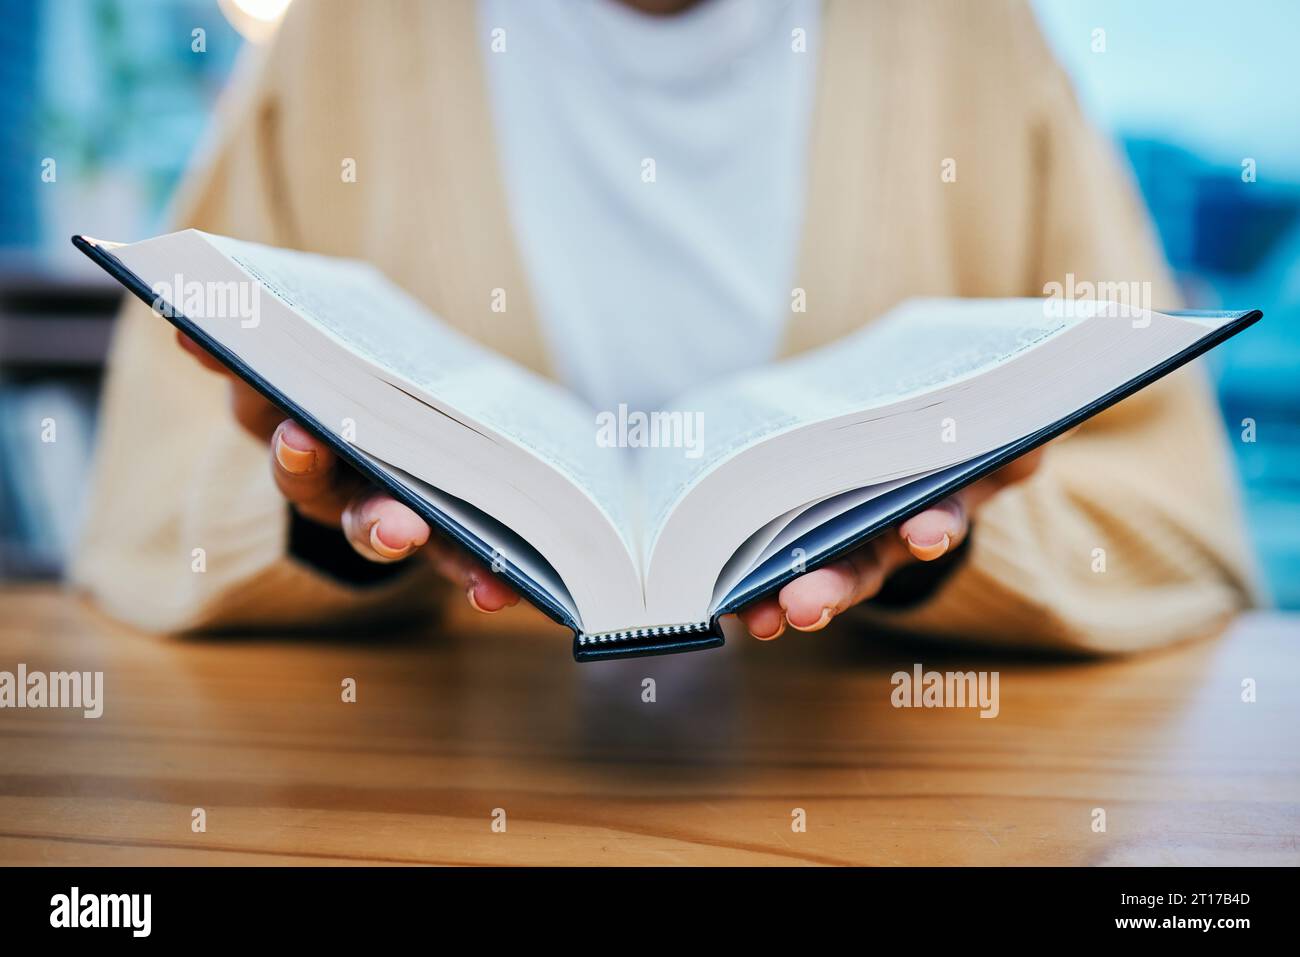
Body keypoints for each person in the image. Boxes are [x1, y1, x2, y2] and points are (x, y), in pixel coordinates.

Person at [75, 0, 1259, 651]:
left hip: (889, 801)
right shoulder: (350, 32)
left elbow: (1177, 523)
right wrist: (325, 530)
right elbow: (144, 497)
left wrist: (921, 552)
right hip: (435, 798)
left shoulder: (972, 38)